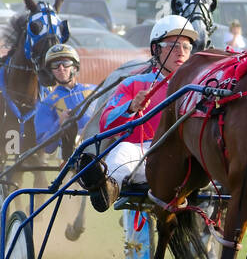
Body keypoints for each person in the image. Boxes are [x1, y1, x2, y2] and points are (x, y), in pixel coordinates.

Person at [79, 14, 196, 211]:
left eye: (186, 47)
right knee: (122, 150)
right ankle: (108, 189)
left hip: (186, 160)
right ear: (155, 49)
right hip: (142, 155)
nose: (181, 52)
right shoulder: (132, 84)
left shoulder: (199, 86)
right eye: (173, 45)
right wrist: (131, 107)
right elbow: (106, 123)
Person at [33, 43, 98, 154]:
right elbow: (46, 147)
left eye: (65, 63)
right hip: (73, 158)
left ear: (74, 67)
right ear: (51, 71)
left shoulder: (95, 90)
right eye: (55, 65)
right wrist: (59, 124)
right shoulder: (46, 104)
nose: (61, 68)